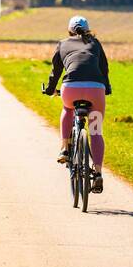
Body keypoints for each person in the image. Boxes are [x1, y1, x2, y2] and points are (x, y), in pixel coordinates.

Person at [40, 15, 110, 193]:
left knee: (67, 108)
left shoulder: (63, 44)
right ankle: (99, 172)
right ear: (87, 30)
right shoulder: (95, 43)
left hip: (71, 89)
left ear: (69, 30)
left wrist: (50, 90)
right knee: (95, 131)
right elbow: (104, 69)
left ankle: (64, 148)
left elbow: (56, 71)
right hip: (96, 90)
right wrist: (106, 88)